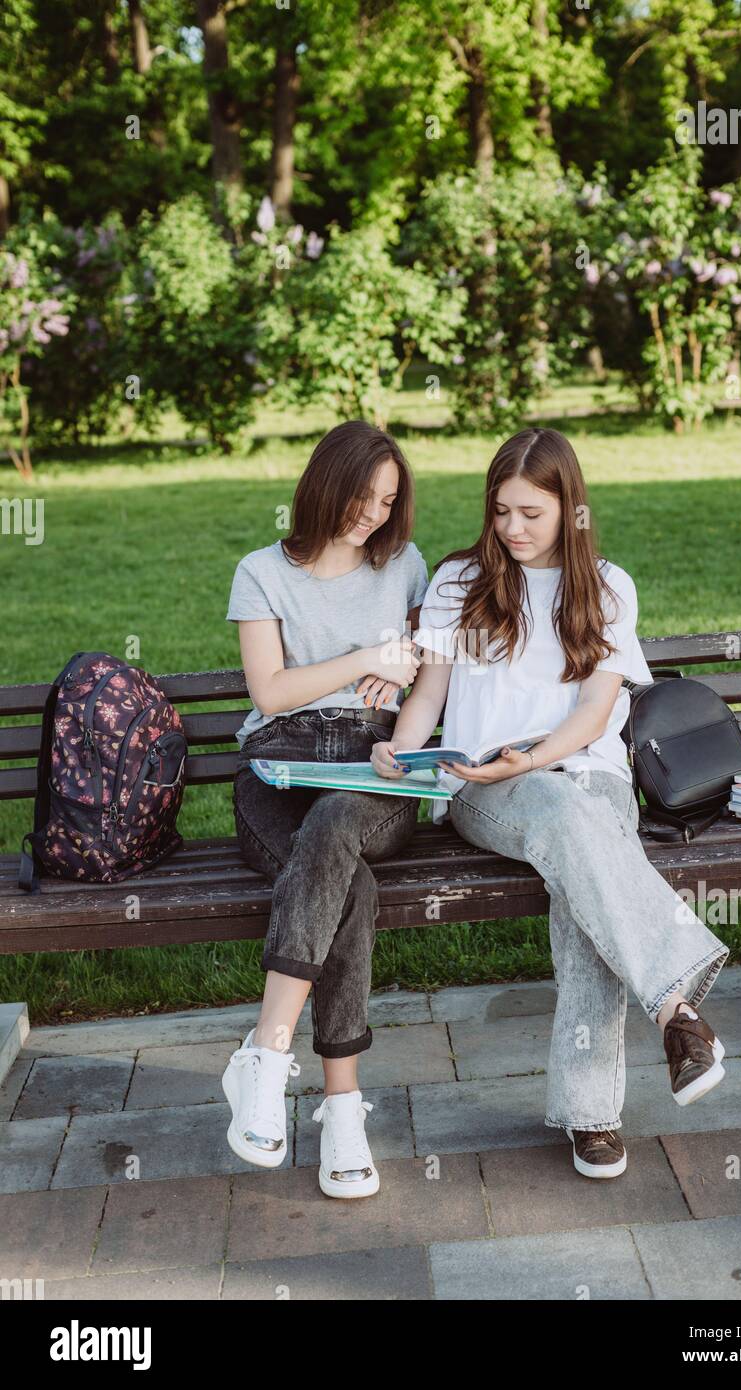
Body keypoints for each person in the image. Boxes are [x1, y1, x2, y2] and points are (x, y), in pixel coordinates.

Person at [372, 427, 730, 1179]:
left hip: (584, 772)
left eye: (531, 513)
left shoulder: (606, 586)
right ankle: (677, 1009)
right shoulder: (457, 581)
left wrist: (536, 754)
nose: (512, 529)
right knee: (573, 826)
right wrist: (403, 752)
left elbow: (595, 716)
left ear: (571, 509)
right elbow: (429, 693)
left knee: (582, 863)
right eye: (500, 511)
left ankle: (592, 1116)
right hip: (485, 787)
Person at [222, 420, 428, 1198]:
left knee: (339, 825)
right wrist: (365, 660)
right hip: (277, 769)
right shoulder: (261, 572)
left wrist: (400, 669)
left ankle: (267, 1057)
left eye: (387, 502)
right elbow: (270, 693)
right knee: (349, 886)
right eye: (361, 496)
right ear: (322, 483)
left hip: (370, 771)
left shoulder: (402, 565)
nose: (372, 515)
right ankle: (342, 1109)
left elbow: (426, 659)